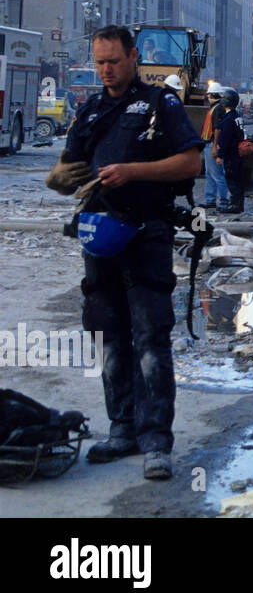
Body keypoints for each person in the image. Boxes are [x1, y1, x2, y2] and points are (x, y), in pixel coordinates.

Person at [44, 25, 203, 481]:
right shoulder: (90, 110)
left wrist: (133, 171)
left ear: (134, 56)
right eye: (99, 62)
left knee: (151, 340)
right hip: (99, 238)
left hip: (147, 235)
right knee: (107, 337)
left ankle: (157, 443)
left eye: (113, 61)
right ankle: (122, 430)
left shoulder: (161, 104)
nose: (106, 70)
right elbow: (67, 169)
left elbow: (191, 163)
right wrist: (58, 180)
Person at [214, 88, 245, 214]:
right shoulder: (237, 116)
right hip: (238, 153)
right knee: (237, 179)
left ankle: (234, 206)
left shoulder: (228, 119)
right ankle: (238, 204)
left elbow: (225, 139)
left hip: (231, 155)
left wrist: (220, 155)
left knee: (232, 179)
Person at [200, 82, 229, 210]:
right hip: (209, 144)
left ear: (212, 94)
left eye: (209, 95)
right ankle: (210, 200)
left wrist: (214, 146)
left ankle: (224, 201)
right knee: (210, 174)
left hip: (212, 144)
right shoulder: (215, 108)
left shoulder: (218, 109)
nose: (208, 97)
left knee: (217, 175)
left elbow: (217, 129)